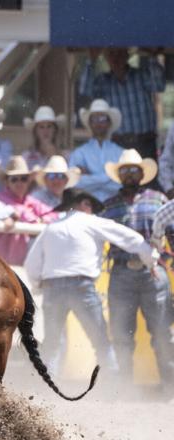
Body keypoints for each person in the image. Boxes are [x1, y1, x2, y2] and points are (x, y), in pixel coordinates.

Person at [24, 188, 155, 376]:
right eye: (91, 205)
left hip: (53, 287)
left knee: (53, 343)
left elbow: (31, 264)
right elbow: (130, 238)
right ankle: (113, 384)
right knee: (100, 340)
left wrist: (37, 286)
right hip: (81, 286)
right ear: (85, 204)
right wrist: (150, 259)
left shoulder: (51, 228)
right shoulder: (92, 222)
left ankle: (46, 385)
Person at [100, 149, 173, 386]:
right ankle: (123, 388)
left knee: (162, 331)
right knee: (121, 334)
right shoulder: (108, 205)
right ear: (119, 175)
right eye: (125, 170)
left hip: (154, 272)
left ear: (142, 174)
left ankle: (170, 387)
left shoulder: (159, 199)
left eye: (133, 170)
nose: (129, 174)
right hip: (121, 272)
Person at [79, 48, 165, 159]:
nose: (116, 58)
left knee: (149, 170)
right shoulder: (102, 81)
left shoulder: (141, 75)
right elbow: (84, 90)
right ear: (106, 59)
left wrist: (152, 56)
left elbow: (159, 85)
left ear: (126, 55)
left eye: (119, 53)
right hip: (118, 143)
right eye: (111, 54)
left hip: (145, 142)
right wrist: (91, 61)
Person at [0, 156, 57, 265]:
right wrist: (36, 220)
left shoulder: (31, 200)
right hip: (2, 262)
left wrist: (43, 219)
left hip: (25, 262)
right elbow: (18, 210)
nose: (19, 183)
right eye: (14, 179)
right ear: (7, 182)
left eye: (23, 179)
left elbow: (54, 214)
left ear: (28, 181)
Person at [70, 99, 124, 202]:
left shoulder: (121, 153)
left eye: (102, 119)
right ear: (90, 123)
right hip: (87, 207)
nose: (98, 123)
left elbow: (121, 185)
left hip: (114, 206)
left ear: (109, 123)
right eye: (94, 119)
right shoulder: (79, 153)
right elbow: (75, 183)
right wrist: (111, 176)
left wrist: (90, 176)